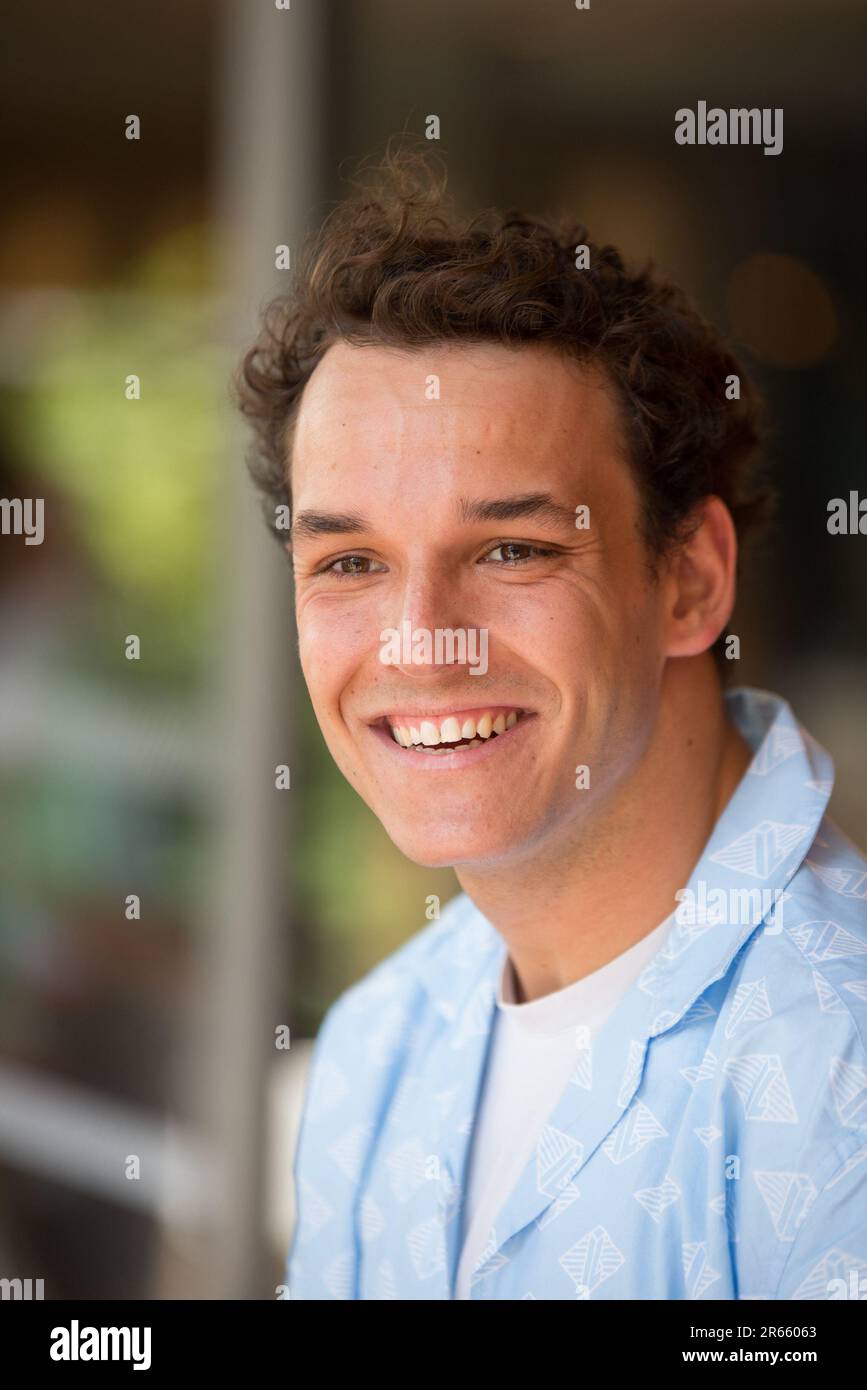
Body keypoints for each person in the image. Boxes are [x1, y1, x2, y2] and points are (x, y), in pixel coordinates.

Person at [236, 150, 867, 1300]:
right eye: (350, 561)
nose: (422, 641)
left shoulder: (841, 1076)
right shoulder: (378, 1049)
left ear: (690, 581)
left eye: (513, 549)